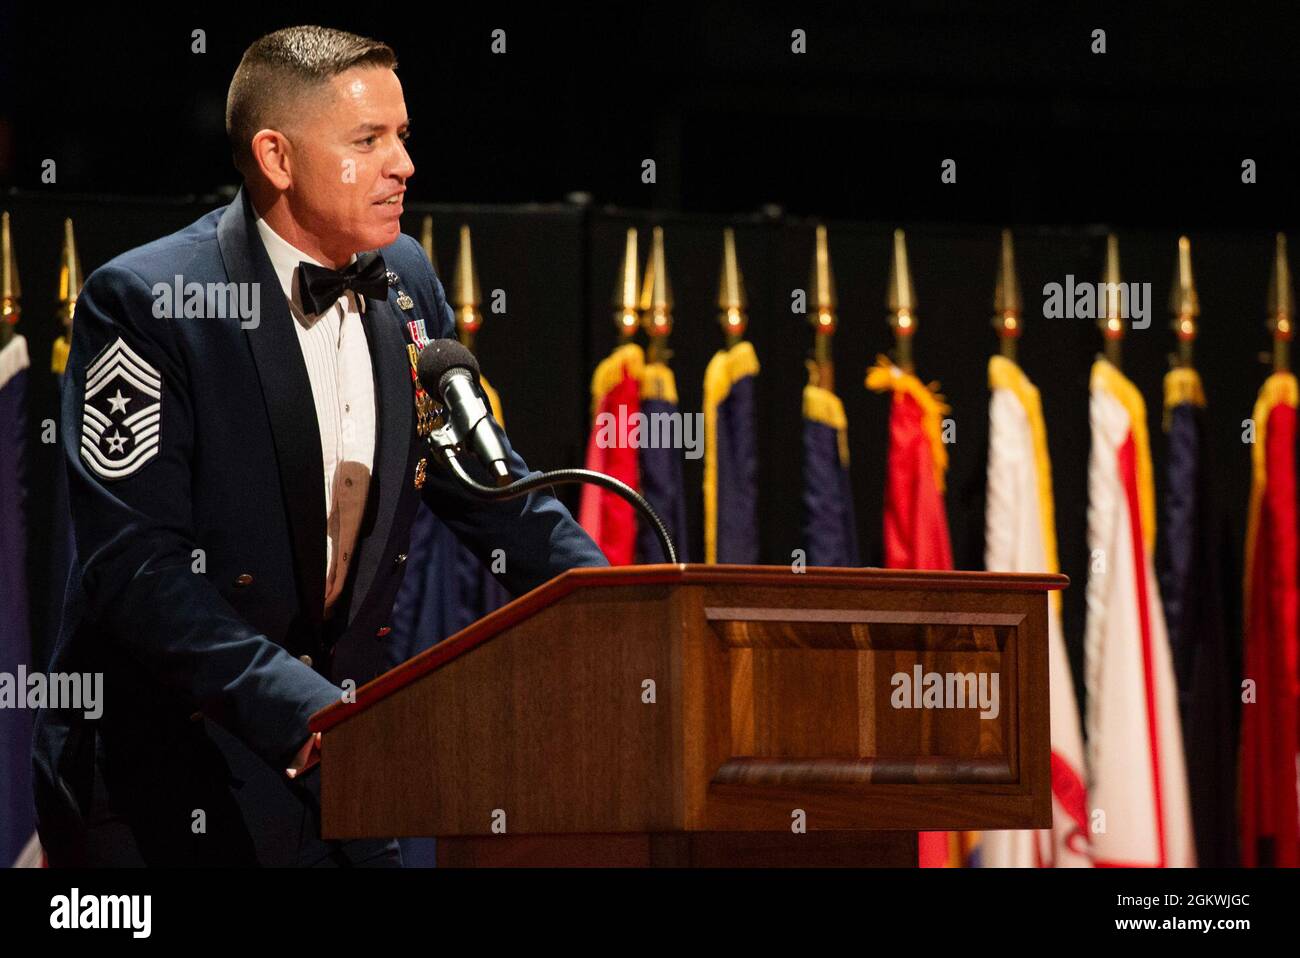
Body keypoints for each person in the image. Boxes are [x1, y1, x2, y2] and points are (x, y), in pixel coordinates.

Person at [32, 24, 607, 867]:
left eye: (402, 137)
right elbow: (136, 570)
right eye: (368, 140)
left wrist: (621, 606)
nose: (403, 164)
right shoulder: (150, 301)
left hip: (343, 774)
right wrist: (302, 709)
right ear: (276, 157)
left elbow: (492, 493)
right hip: (162, 776)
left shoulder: (405, 277)